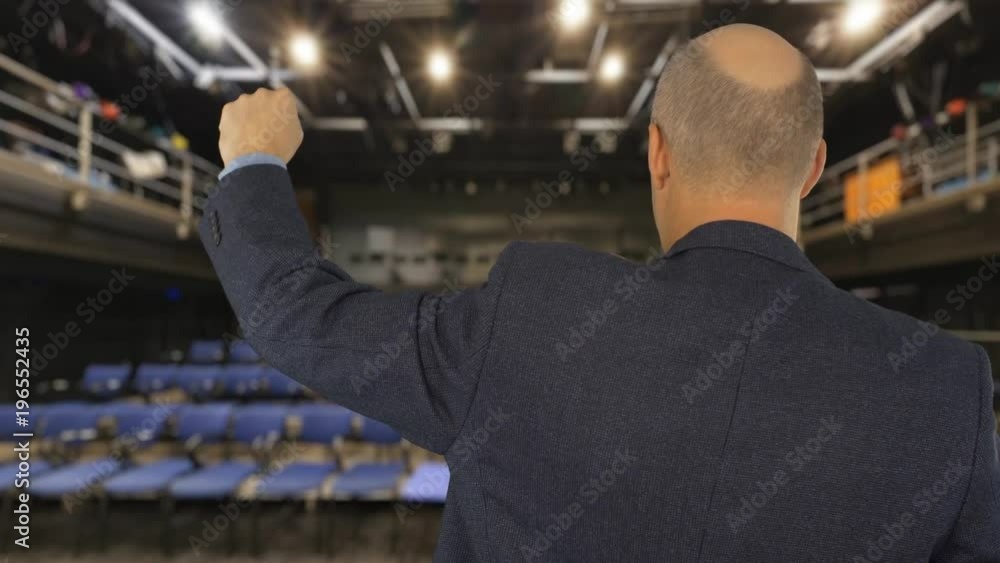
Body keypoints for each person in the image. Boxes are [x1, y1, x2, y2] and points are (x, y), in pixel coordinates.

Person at [203, 23, 998, 562]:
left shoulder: (534, 313)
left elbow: (295, 314)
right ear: (817, 165)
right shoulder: (947, 387)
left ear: (656, 152)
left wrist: (255, 163)